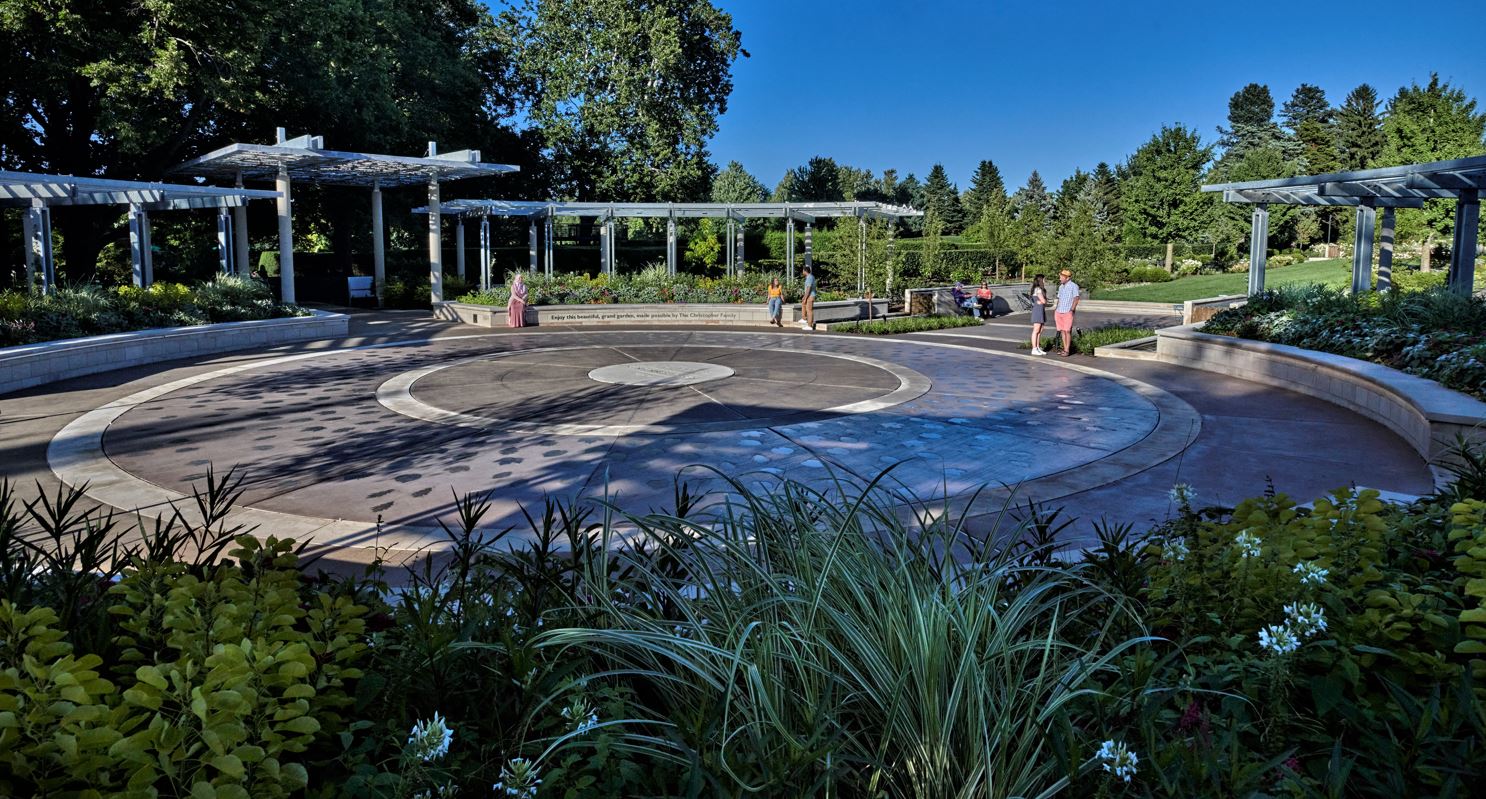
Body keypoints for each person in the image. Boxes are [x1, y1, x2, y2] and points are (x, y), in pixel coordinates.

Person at [1054, 268, 1080, 356]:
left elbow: (1076, 298)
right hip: (1059, 311)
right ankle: (1064, 349)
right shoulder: (1061, 287)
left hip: (1067, 311)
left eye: (1061, 277)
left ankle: (1067, 350)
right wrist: (1056, 308)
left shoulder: (1073, 286)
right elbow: (1059, 298)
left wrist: (1072, 309)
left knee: (1067, 330)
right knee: (1062, 331)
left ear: (1067, 278)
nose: (1060, 278)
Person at [1029, 274, 1049, 355]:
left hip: (1040, 310)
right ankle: (1034, 349)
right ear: (1040, 280)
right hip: (1038, 310)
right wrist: (1044, 301)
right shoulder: (1038, 289)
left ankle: (1037, 347)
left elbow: (1043, 301)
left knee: (1040, 330)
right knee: (1036, 330)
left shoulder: (1040, 289)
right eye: (1044, 279)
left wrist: (1043, 301)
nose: (1045, 280)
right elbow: (1044, 301)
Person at [799, 266, 817, 330]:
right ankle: (804, 318)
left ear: (805, 271)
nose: (802, 272)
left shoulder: (809, 277)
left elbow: (809, 288)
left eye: (803, 270)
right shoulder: (810, 277)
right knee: (803, 304)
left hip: (810, 296)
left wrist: (805, 297)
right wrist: (804, 297)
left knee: (809, 310)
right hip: (809, 295)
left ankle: (809, 326)